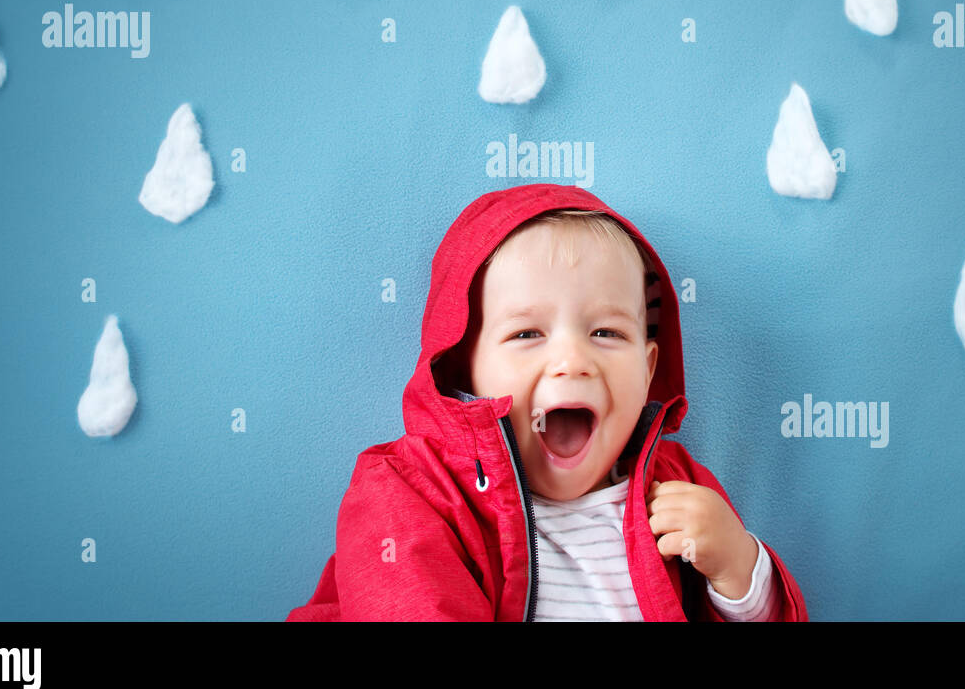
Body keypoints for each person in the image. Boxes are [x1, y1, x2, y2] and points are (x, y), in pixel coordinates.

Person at [286, 183, 807, 620]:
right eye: (527, 334)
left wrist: (740, 568)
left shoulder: (675, 486)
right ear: (462, 365)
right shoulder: (411, 492)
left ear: (648, 371)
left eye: (605, 332)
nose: (572, 361)